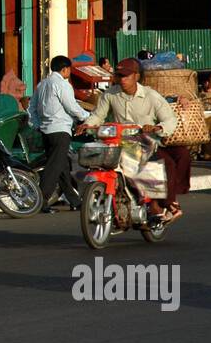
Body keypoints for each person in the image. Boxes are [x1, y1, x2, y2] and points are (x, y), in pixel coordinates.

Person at [80, 57, 189, 223]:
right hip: (117, 142)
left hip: (146, 142)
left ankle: (167, 203)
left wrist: (157, 128)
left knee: (166, 163)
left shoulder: (151, 96)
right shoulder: (110, 94)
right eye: (119, 76)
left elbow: (170, 120)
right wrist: (87, 124)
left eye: (126, 76)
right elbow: (98, 115)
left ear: (136, 76)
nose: (122, 79)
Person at [29, 55, 89, 212]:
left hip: (46, 131)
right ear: (65, 69)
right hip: (60, 130)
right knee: (54, 167)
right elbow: (71, 106)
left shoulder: (41, 85)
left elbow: (32, 108)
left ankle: (75, 201)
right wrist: (88, 117)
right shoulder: (63, 85)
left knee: (62, 166)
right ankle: (40, 201)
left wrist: (37, 125)